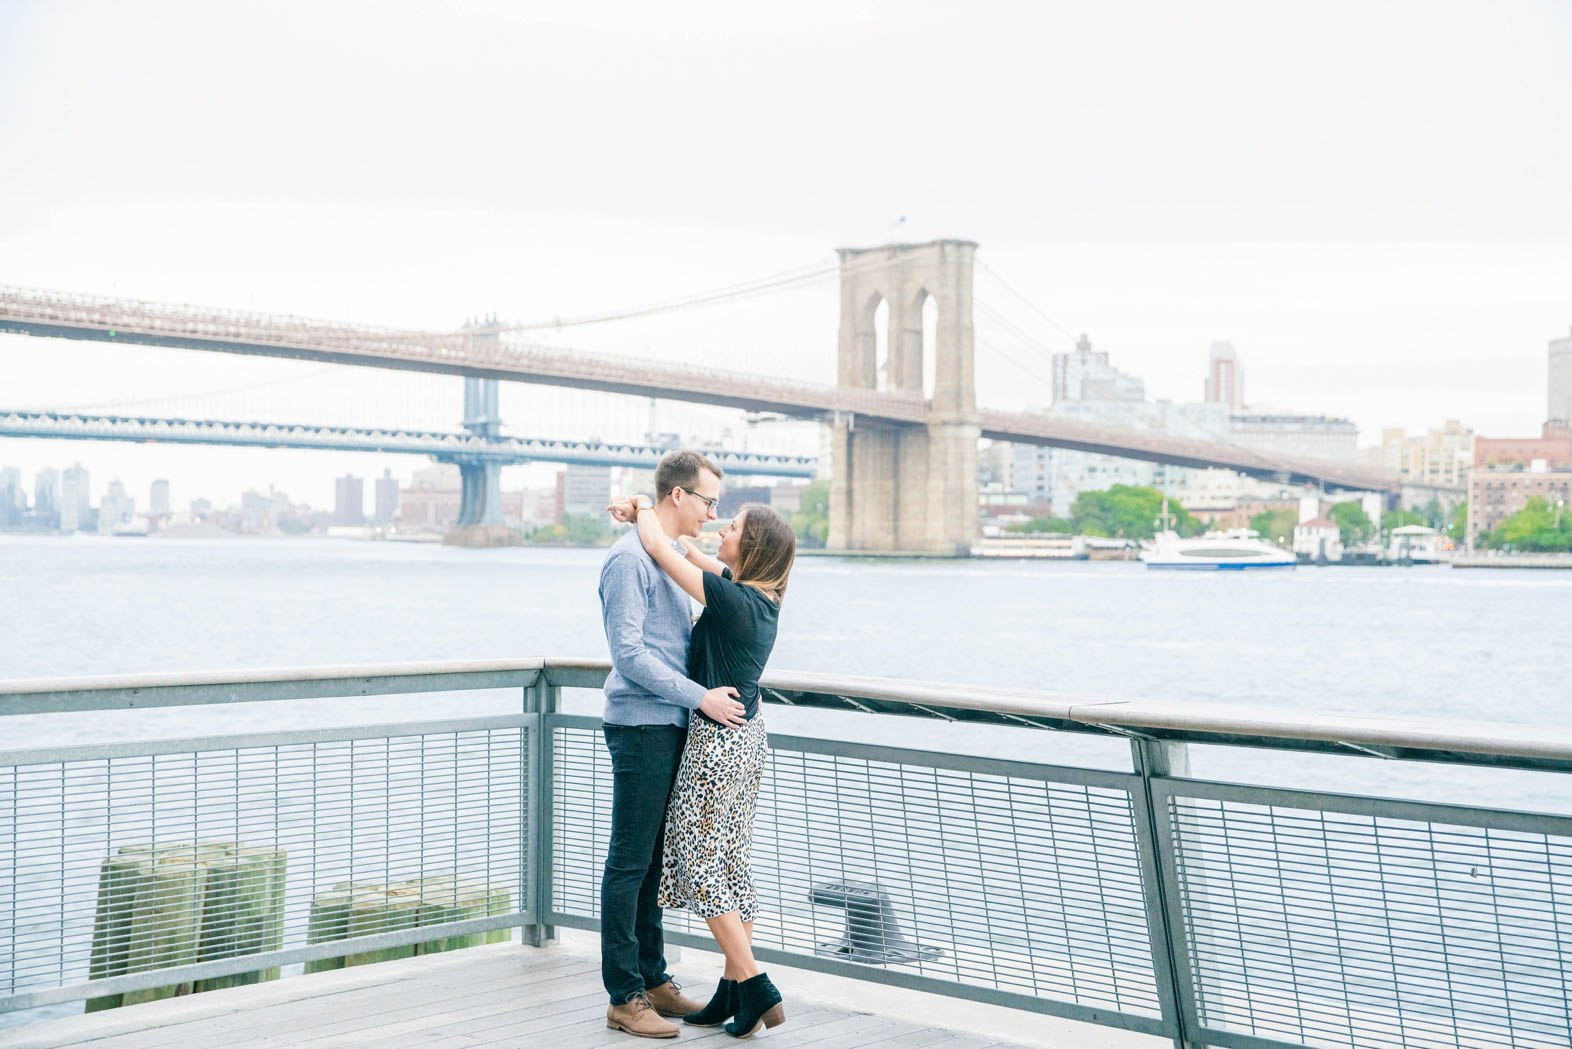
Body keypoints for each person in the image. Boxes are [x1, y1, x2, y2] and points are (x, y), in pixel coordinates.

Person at [607, 489, 797, 1039]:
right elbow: (689, 551)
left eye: (732, 525)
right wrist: (684, 531)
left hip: (717, 742)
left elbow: (663, 552)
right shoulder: (756, 594)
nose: (722, 529)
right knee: (733, 860)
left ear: (752, 546)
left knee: (699, 862)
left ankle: (756, 981)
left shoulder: (730, 598)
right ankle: (735, 986)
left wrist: (643, 506)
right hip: (749, 739)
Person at [598, 450, 745, 1039]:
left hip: (670, 723)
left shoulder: (662, 551)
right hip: (641, 725)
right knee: (629, 862)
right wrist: (700, 697)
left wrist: (636, 505)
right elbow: (629, 655)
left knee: (655, 864)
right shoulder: (628, 560)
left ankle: (654, 979)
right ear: (679, 496)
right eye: (709, 501)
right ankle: (623, 995)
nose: (713, 513)